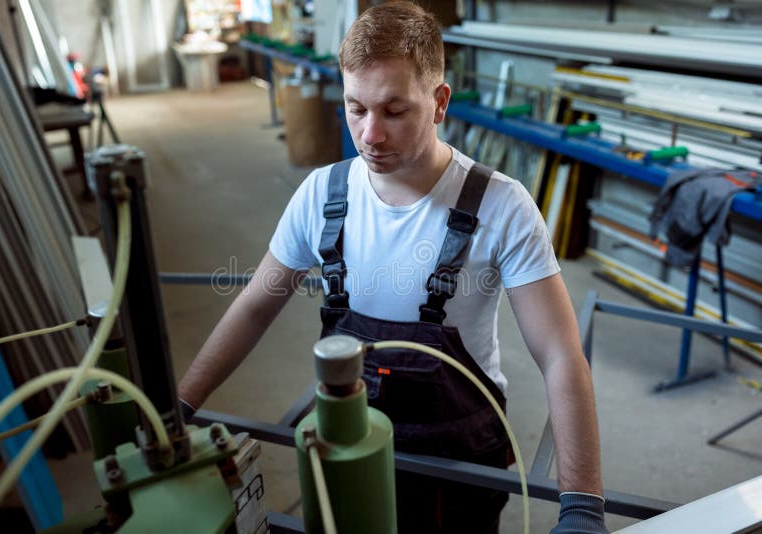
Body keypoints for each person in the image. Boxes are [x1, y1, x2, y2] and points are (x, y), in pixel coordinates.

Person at [178, 2, 607, 532]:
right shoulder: (323, 195)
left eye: (394, 110)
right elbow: (254, 308)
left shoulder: (501, 206)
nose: (370, 135)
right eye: (355, 108)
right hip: (346, 448)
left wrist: (582, 502)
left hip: (460, 465)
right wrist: (181, 403)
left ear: (439, 102)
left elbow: (560, 355)